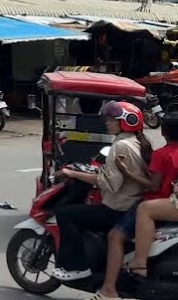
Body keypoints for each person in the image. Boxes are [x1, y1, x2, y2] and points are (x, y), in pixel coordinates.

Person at [84, 112, 178, 300]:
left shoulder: (162, 154)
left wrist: (128, 173)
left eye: (111, 120)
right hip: (169, 202)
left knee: (115, 235)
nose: (108, 123)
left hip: (158, 201)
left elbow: (152, 187)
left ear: (164, 131)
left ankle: (110, 288)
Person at [52, 101, 151, 282]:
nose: (107, 123)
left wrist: (72, 173)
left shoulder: (120, 146)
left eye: (112, 120)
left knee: (65, 214)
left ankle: (77, 266)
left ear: (126, 121)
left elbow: (109, 183)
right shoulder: (134, 142)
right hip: (131, 206)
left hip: (117, 208)